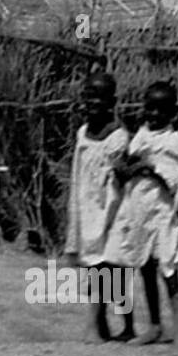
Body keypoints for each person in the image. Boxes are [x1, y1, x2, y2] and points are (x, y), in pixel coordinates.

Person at [113, 80, 178, 354]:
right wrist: (130, 165)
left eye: (160, 110)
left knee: (168, 267)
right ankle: (155, 326)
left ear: (173, 113)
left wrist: (148, 165)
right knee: (144, 265)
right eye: (150, 108)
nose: (153, 114)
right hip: (139, 211)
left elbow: (172, 180)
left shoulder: (175, 143)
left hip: (162, 213)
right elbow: (128, 166)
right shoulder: (141, 136)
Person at [64, 72, 134, 342]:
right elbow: (79, 171)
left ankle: (109, 325)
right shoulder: (83, 133)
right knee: (95, 265)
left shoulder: (118, 137)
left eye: (99, 98)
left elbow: (121, 175)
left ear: (112, 102)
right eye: (87, 96)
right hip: (88, 206)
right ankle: (101, 324)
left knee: (112, 266)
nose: (92, 102)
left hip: (112, 209)